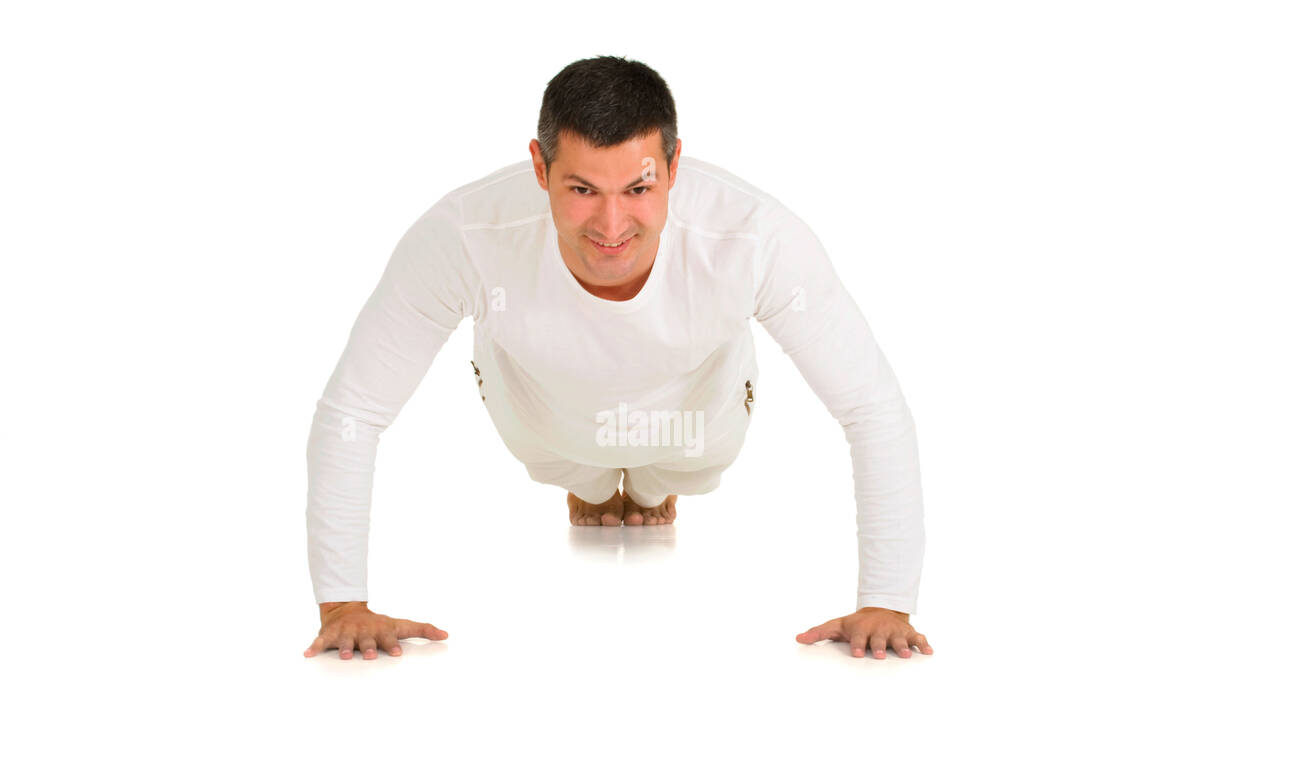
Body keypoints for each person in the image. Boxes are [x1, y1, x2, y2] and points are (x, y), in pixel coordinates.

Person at [304, 55, 934, 663]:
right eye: (581, 188)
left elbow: (870, 407)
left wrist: (887, 602)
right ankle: (592, 483)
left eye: (638, 187)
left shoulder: (756, 236)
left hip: (696, 421)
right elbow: (356, 409)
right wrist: (341, 606)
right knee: (575, 467)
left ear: (674, 164)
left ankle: (649, 484)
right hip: (543, 420)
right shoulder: (462, 234)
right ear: (540, 167)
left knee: (678, 471)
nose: (611, 225)